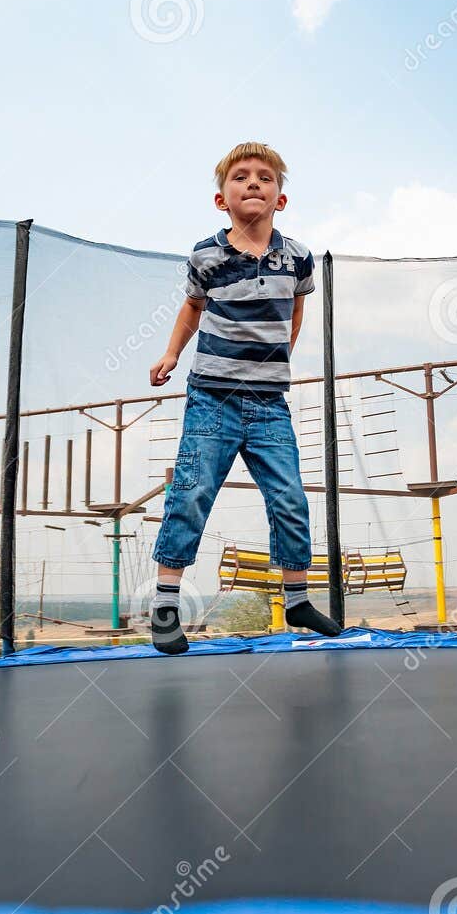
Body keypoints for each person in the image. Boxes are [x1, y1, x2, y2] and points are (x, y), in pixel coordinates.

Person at [145, 143, 342, 654]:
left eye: (264, 177)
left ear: (281, 199)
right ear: (220, 199)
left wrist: (281, 354)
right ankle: (166, 607)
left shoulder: (297, 257)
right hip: (212, 397)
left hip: (269, 403)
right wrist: (171, 354)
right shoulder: (206, 256)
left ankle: (296, 599)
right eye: (241, 177)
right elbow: (192, 309)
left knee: (290, 498)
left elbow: (295, 311)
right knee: (190, 492)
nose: (253, 183)